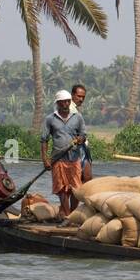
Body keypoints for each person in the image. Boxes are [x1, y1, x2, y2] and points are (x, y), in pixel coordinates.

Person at [41, 90, 86, 218]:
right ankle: (66, 214)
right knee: (61, 188)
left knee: (76, 188)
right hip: (58, 159)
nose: (65, 104)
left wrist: (79, 139)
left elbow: (83, 134)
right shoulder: (50, 119)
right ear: (58, 103)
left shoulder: (77, 117)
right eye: (63, 102)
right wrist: (45, 159)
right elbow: (44, 140)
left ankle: (72, 213)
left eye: (68, 101)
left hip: (74, 157)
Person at [68, 84, 92, 182]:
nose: (81, 99)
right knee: (80, 180)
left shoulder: (75, 109)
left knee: (85, 179)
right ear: (72, 95)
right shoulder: (69, 109)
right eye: (79, 96)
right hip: (74, 150)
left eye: (83, 97)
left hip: (81, 148)